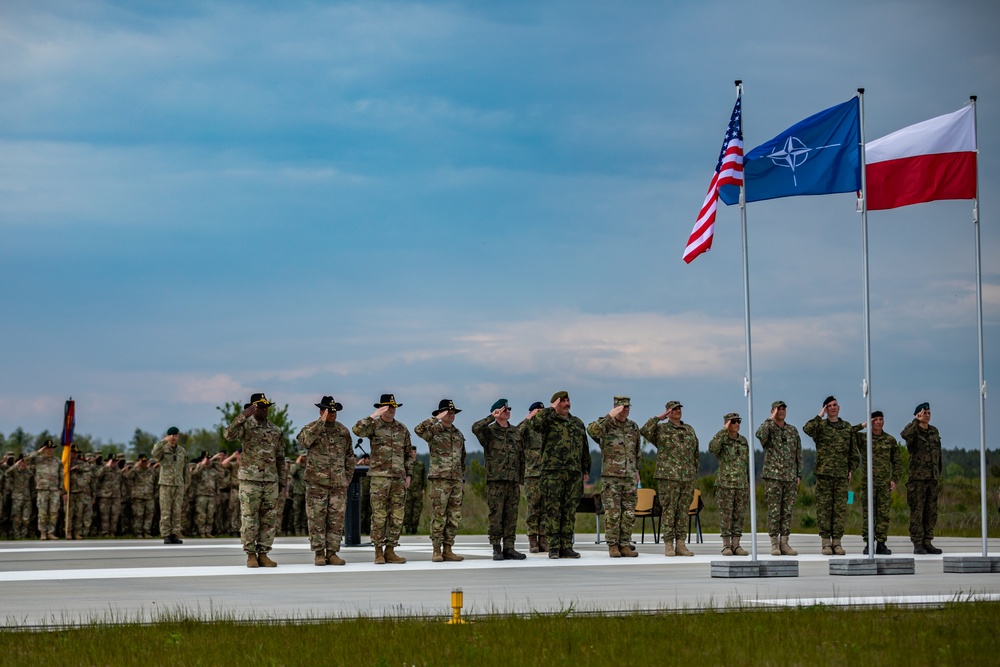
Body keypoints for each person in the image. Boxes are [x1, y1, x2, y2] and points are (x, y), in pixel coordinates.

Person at [521, 391, 591, 559]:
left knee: (569, 511)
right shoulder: (548, 421)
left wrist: (586, 469)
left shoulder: (577, 423)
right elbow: (534, 424)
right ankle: (553, 547)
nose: (567, 404)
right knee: (552, 510)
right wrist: (550, 409)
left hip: (573, 474)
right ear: (556, 404)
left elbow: (584, 448)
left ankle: (566, 546)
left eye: (568, 400)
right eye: (563, 401)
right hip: (552, 473)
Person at [225, 393, 287, 568]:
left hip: (270, 480)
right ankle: (251, 554)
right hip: (250, 480)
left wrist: (282, 481)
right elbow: (228, 435)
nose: (264, 409)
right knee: (249, 518)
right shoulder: (245, 426)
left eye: (266, 407)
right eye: (261, 407)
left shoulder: (275, 430)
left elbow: (280, 457)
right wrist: (242, 417)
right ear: (253, 408)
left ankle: (264, 553)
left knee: (269, 519)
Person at [353, 394, 413, 565]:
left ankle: (390, 550)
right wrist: (373, 416)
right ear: (381, 408)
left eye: (393, 407)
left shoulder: (402, 429)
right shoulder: (374, 425)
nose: (391, 410)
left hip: (398, 478)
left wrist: (408, 474)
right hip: (380, 478)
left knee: (397, 516)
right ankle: (378, 551)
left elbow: (408, 454)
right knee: (379, 515)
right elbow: (357, 430)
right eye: (388, 407)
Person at [296, 396, 356, 566]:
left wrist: (346, 479)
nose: (332, 414)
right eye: (329, 411)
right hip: (317, 484)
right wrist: (320, 423)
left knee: (336, 520)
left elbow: (349, 457)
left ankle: (332, 552)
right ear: (321, 411)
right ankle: (319, 553)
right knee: (317, 519)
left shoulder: (343, 431)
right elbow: (304, 442)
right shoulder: (311, 428)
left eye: (334, 411)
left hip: (338, 484)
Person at [640, 401, 699, 557]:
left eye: (679, 408)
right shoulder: (661, 429)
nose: (677, 411)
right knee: (669, 510)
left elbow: (695, 453)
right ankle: (668, 544)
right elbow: (644, 430)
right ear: (668, 412)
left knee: (683, 511)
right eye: (674, 409)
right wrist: (658, 418)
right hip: (668, 477)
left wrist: (694, 473)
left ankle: (681, 544)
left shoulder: (689, 430)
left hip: (687, 477)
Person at [804, 396, 860, 556]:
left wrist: (851, 470)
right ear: (826, 409)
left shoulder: (847, 427)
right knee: (824, 509)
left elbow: (853, 453)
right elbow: (807, 429)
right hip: (824, 475)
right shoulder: (820, 426)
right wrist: (820, 415)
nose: (833, 407)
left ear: (839, 407)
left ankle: (837, 542)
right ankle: (826, 543)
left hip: (841, 475)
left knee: (840, 510)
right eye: (829, 406)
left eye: (835, 405)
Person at [587, 396, 641, 558]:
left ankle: (625, 544)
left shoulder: (633, 426)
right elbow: (591, 431)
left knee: (629, 513)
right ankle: (613, 545)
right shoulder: (606, 425)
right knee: (613, 513)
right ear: (615, 408)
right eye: (622, 407)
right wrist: (609, 416)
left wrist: (637, 471)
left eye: (628, 407)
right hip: (612, 477)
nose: (626, 410)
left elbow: (637, 451)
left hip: (629, 476)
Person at [473, 398, 526, 561]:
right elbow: (475, 428)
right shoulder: (489, 432)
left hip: (512, 481)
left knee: (511, 516)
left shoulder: (515, 431)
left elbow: (521, 457)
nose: (508, 411)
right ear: (497, 412)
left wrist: (520, 481)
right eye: (504, 409)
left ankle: (509, 547)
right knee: (496, 515)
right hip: (496, 481)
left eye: (509, 409)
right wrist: (491, 417)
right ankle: (496, 548)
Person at [416, 399, 467, 563]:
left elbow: (462, 459)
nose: (451, 415)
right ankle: (436, 549)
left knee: (454, 516)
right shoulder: (434, 431)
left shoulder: (458, 434)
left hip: (456, 480)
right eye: (448, 412)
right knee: (439, 515)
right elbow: (418, 430)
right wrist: (436, 418)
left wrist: (462, 479)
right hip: (440, 480)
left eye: (453, 412)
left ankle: (448, 549)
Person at [756, 400, 803, 556]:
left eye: (783, 409)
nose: (781, 411)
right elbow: (759, 434)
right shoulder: (768, 428)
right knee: (774, 511)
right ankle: (774, 544)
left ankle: (784, 543)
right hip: (773, 477)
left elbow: (798, 452)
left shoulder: (792, 430)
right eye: (778, 409)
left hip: (790, 477)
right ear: (772, 411)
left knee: (787, 511)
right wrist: (770, 418)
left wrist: (799, 474)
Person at [853, 411, 902, 555]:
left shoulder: (889, 440)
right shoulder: (864, 438)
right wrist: (863, 425)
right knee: (868, 514)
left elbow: (897, 462)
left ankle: (881, 544)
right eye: (875, 420)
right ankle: (869, 544)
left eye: (881, 419)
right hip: (868, 484)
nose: (878, 422)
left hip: (884, 484)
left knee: (883, 514)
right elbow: (848, 432)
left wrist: (894, 479)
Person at [901, 402, 943, 554]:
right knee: (917, 511)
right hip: (917, 479)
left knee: (931, 512)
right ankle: (917, 542)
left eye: (929, 413)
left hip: (932, 478)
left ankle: (927, 541)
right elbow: (905, 435)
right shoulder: (913, 429)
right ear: (918, 414)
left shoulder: (934, 431)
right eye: (924, 413)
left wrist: (938, 474)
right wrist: (915, 421)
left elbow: (938, 455)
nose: (927, 415)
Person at [709, 413, 750, 557]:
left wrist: (747, 483)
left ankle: (736, 545)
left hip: (741, 484)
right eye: (733, 421)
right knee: (726, 515)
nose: (737, 424)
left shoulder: (743, 441)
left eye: (739, 421)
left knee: (739, 516)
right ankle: (726, 545)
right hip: (726, 484)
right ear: (727, 423)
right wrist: (723, 430)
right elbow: (712, 448)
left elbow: (746, 463)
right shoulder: (722, 440)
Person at [152, 426, 189, 544]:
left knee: (177, 511)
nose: (174, 437)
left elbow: (186, 468)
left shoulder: (182, 451)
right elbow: (154, 453)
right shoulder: (163, 449)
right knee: (166, 510)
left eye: (176, 435)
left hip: (178, 484)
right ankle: (166, 534)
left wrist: (186, 483)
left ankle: (175, 534)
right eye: (171, 435)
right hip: (166, 484)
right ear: (168, 436)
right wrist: (163, 441)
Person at [518, 401, 547, 553]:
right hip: (531, 474)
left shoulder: (546, 428)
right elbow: (515, 434)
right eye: (538, 412)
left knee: (545, 508)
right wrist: (528, 418)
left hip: (546, 474)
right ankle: (532, 539)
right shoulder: (527, 428)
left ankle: (543, 539)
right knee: (533, 508)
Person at [25, 439, 63, 540]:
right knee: (42, 513)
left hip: (54, 490)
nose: (49, 450)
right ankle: (43, 533)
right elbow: (26, 459)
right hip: (42, 489)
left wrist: (60, 489)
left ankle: (50, 532)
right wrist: (38, 452)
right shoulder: (38, 459)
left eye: (51, 448)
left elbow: (61, 475)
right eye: (47, 448)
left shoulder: (57, 461)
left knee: (53, 512)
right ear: (44, 449)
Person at [125, 454, 157, 537]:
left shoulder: (151, 471)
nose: (144, 463)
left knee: (149, 515)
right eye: (142, 461)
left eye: (145, 461)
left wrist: (155, 494)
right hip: (138, 497)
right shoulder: (135, 470)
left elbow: (156, 483)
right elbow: (128, 477)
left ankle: (147, 532)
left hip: (149, 496)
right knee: (138, 515)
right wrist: (135, 467)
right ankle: (138, 532)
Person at [68, 447, 96, 539]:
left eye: (76, 453)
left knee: (79, 513)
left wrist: (77, 467)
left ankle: (77, 532)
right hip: (70, 491)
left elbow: (88, 468)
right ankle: (68, 532)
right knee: (69, 513)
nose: (75, 454)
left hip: (80, 491)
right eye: (73, 452)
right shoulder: (65, 463)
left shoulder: (81, 463)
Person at [4, 455, 33, 538]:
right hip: (17, 498)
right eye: (22, 461)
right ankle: (17, 535)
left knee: (26, 518)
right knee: (16, 518)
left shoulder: (29, 472)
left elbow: (33, 484)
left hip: (27, 498)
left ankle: (24, 535)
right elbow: (7, 473)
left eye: (25, 461)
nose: (24, 463)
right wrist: (15, 465)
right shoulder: (15, 471)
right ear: (19, 462)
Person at [402, 448, 426, 535]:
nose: (413, 453)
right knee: (407, 510)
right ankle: (407, 528)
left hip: (418, 491)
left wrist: (423, 488)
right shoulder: (406, 465)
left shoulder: (420, 464)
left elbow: (424, 477)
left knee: (417, 511)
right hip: (408, 491)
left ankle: (414, 529)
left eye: (414, 452)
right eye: (411, 452)